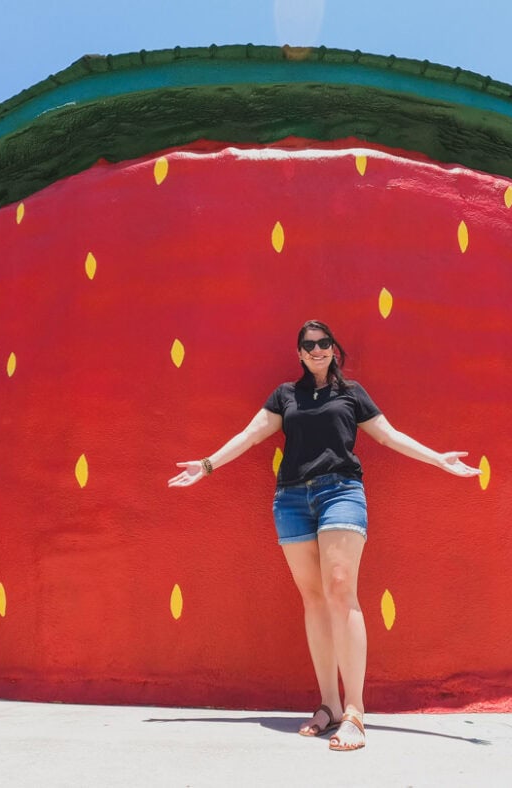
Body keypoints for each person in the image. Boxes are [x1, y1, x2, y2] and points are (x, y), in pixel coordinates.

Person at [168, 319, 480, 751]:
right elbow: (250, 434)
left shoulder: (351, 394)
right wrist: (205, 466)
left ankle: (355, 711)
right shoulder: (286, 395)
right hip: (291, 500)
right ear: (299, 353)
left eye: (324, 343)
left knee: (340, 590)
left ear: (334, 349)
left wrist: (438, 460)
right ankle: (329, 705)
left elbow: (389, 437)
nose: (317, 350)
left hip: (341, 493)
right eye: (308, 345)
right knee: (314, 599)